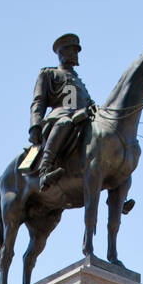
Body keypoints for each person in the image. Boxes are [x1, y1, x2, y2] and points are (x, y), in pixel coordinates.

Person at [30, 34, 95, 190]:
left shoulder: (79, 80)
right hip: (60, 117)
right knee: (65, 122)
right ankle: (45, 170)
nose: (75, 54)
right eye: (71, 50)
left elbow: (88, 102)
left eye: (76, 51)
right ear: (61, 53)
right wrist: (35, 127)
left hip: (82, 117)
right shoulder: (49, 74)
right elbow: (39, 101)